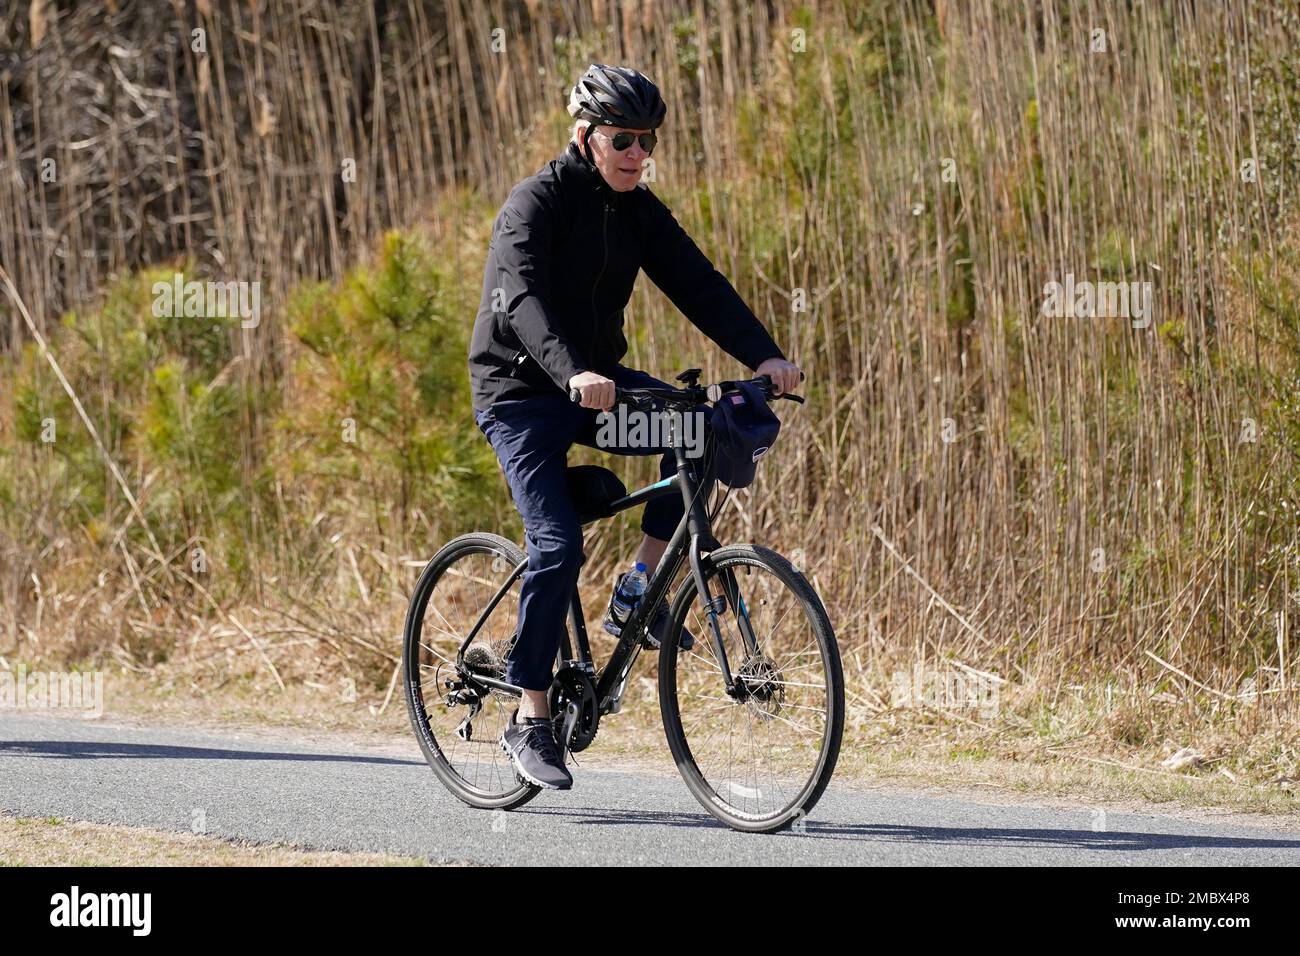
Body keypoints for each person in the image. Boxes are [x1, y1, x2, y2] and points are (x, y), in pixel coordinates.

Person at [468, 63, 802, 790]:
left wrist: (764, 354)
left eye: (646, 140)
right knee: (556, 545)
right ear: (584, 136)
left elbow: (699, 284)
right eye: (622, 138)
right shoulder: (534, 204)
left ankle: (639, 586)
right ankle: (529, 715)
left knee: (703, 426)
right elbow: (520, 301)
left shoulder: (638, 211)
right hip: (521, 394)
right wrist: (570, 373)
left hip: (596, 386)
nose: (636, 153)